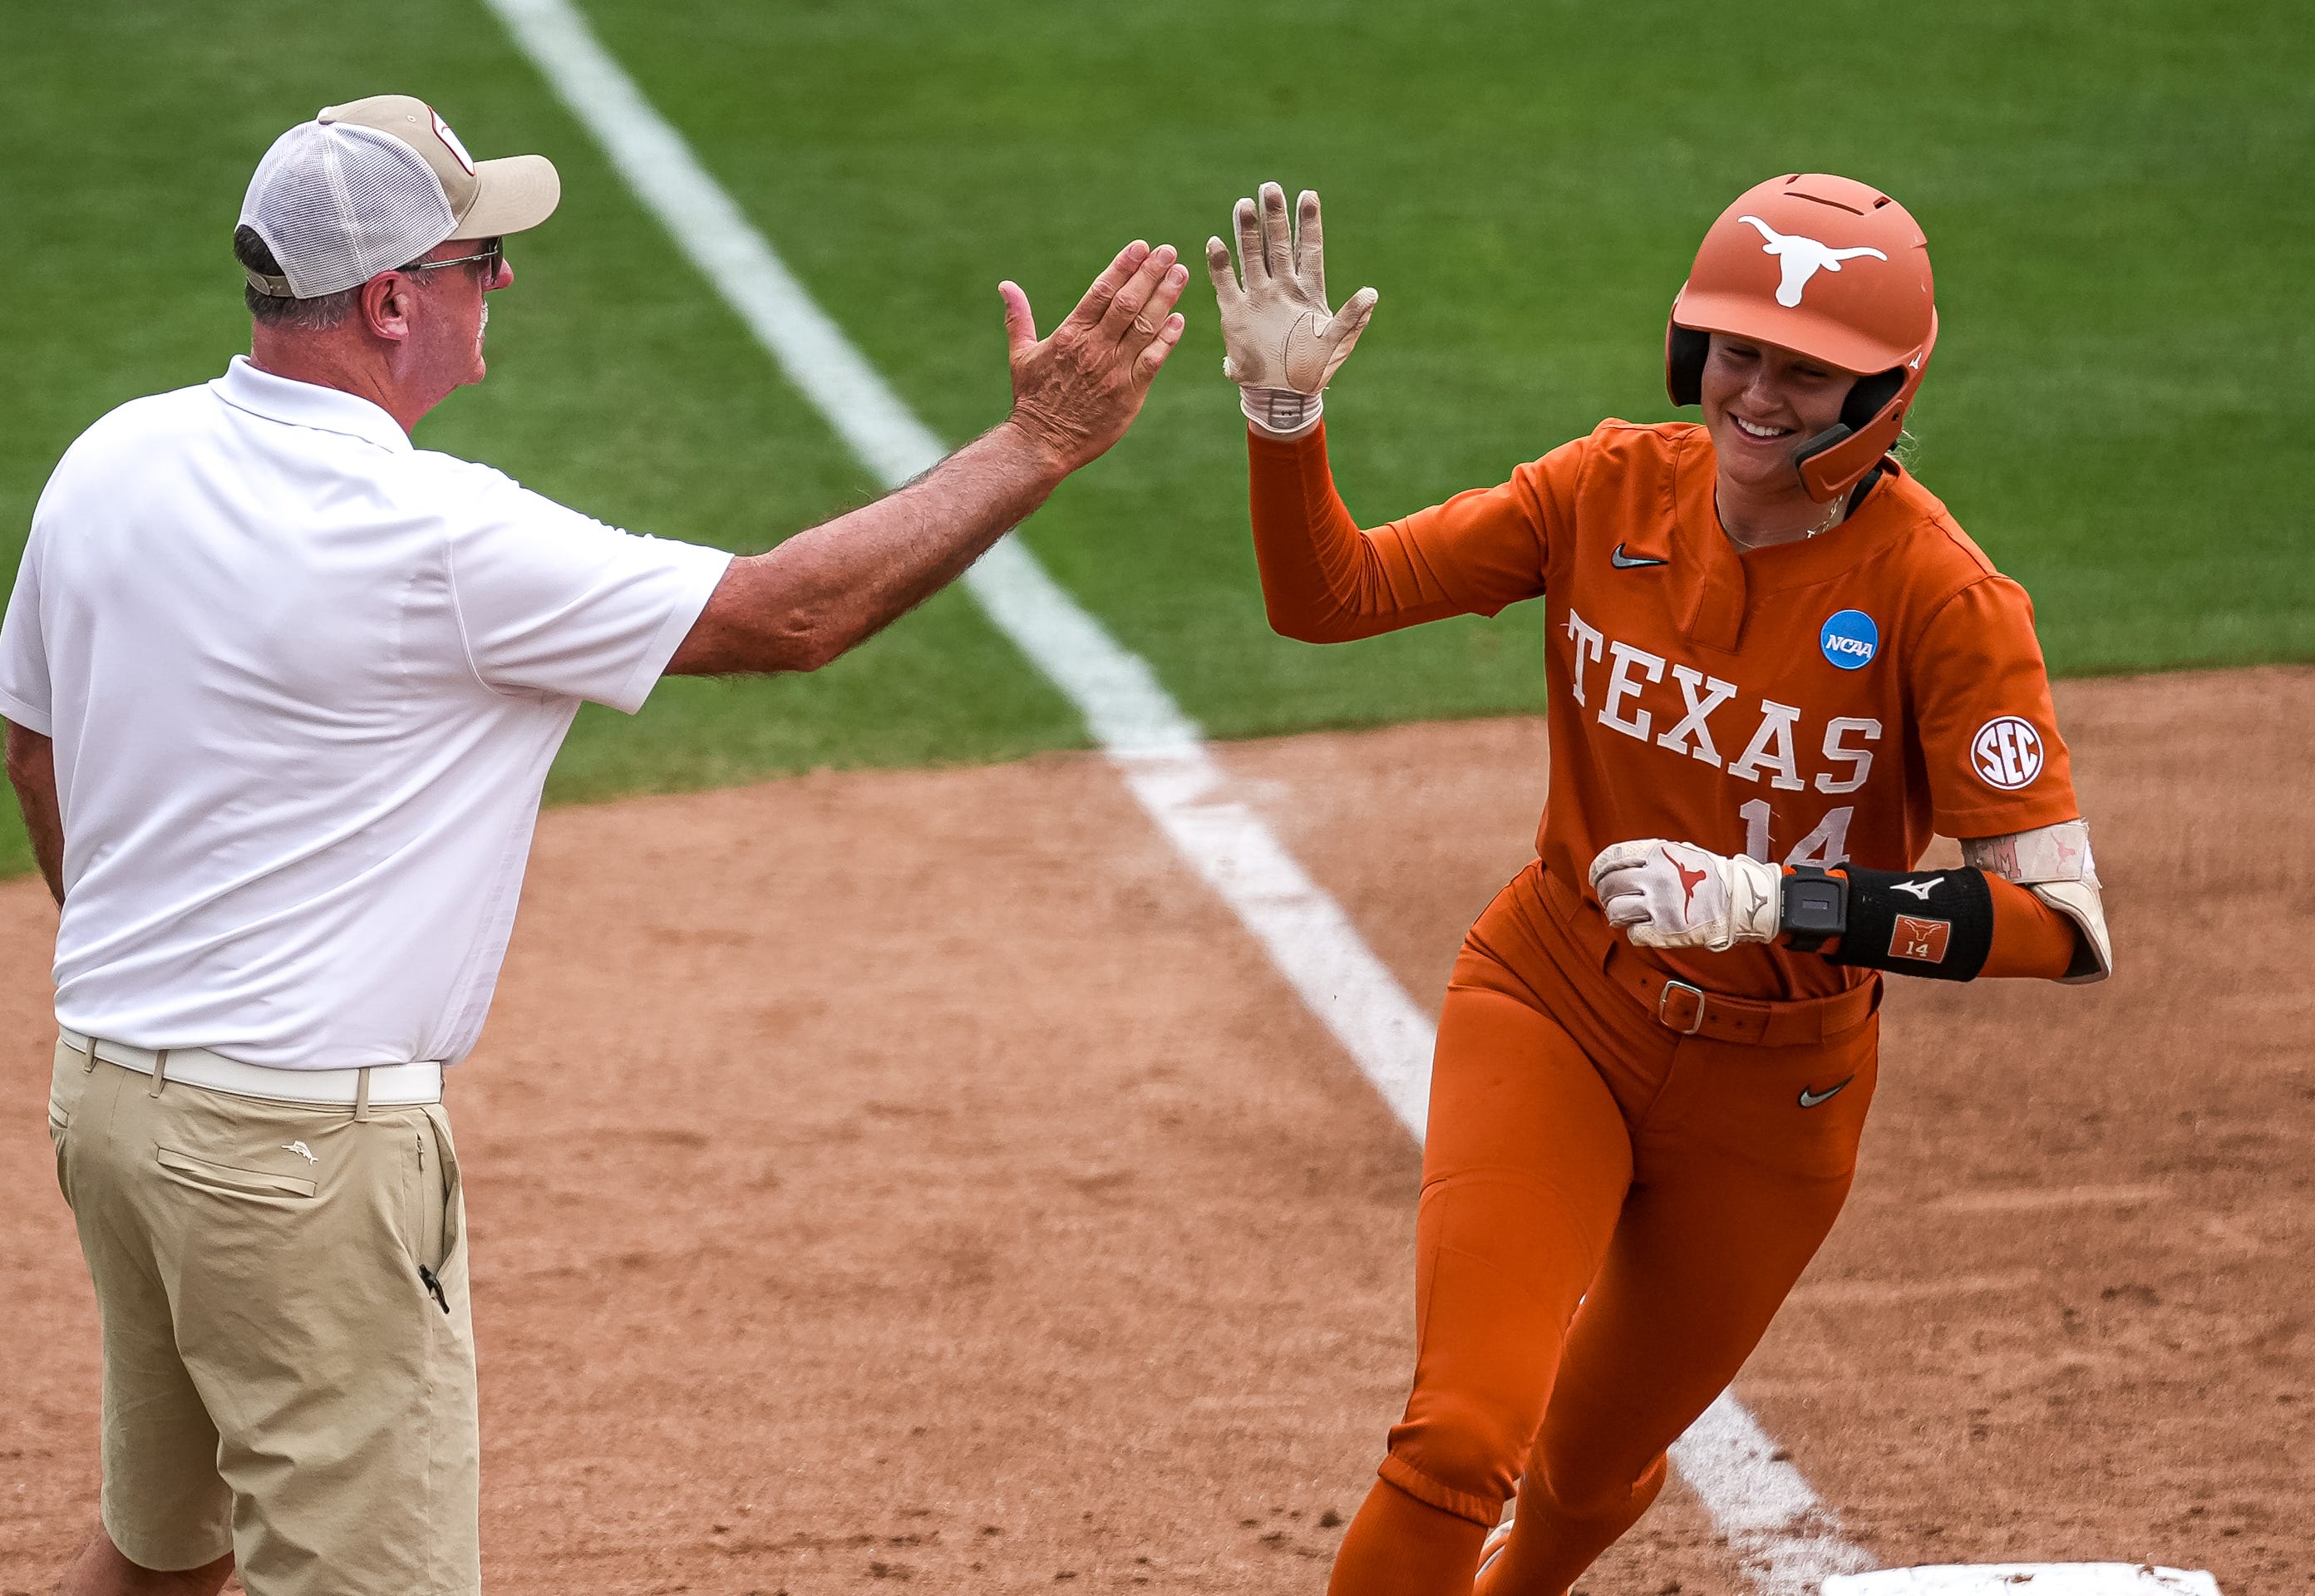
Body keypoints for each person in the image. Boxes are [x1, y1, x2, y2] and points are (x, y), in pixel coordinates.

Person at [5, 95, 1186, 1596]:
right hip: (300, 1161)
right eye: (476, 259)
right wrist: (1039, 443)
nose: (502, 279)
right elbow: (789, 615)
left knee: (161, 1559)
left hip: (110, 1104)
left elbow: (34, 746)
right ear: (389, 304)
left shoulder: (114, 456)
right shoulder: (435, 535)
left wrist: (154, 982)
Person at [1206, 175, 2112, 1596]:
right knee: (1463, 1436)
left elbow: (2059, 926)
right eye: (1738, 352)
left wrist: (1777, 903)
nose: (1759, 395)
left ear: (1881, 394)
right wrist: (1284, 419)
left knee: (1589, 1468)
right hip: (1556, 1000)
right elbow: (1332, 598)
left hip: (1778, 1089)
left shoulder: (1945, 599)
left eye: (1807, 373)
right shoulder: (1607, 489)